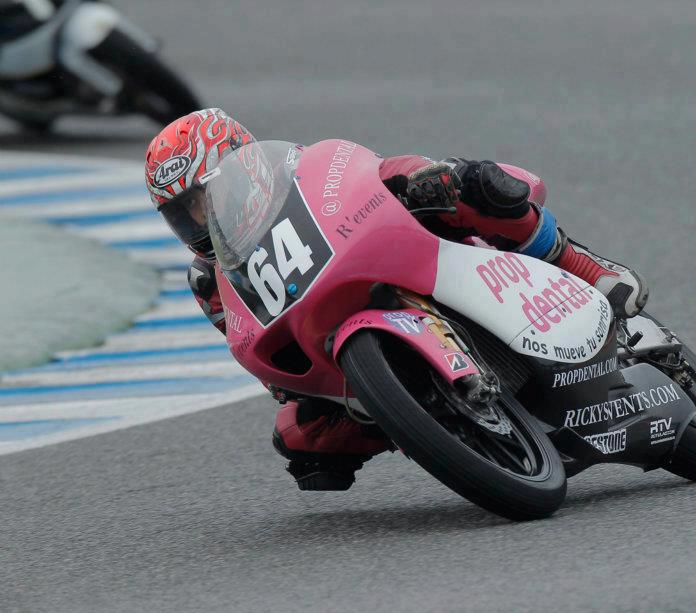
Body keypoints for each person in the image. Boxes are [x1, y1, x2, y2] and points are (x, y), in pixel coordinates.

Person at [144, 108, 648, 491]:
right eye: (182, 214)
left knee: (472, 184)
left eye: (204, 202)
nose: (198, 221)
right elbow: (252, 342)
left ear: (245, 169)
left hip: (396, 244)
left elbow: (366, 173)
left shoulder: (296, 169)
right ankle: (423, 417)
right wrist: (296, 389)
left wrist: (423, 183)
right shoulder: (211, 280)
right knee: (298, 438)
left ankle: (582, 264)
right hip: (332, 333)